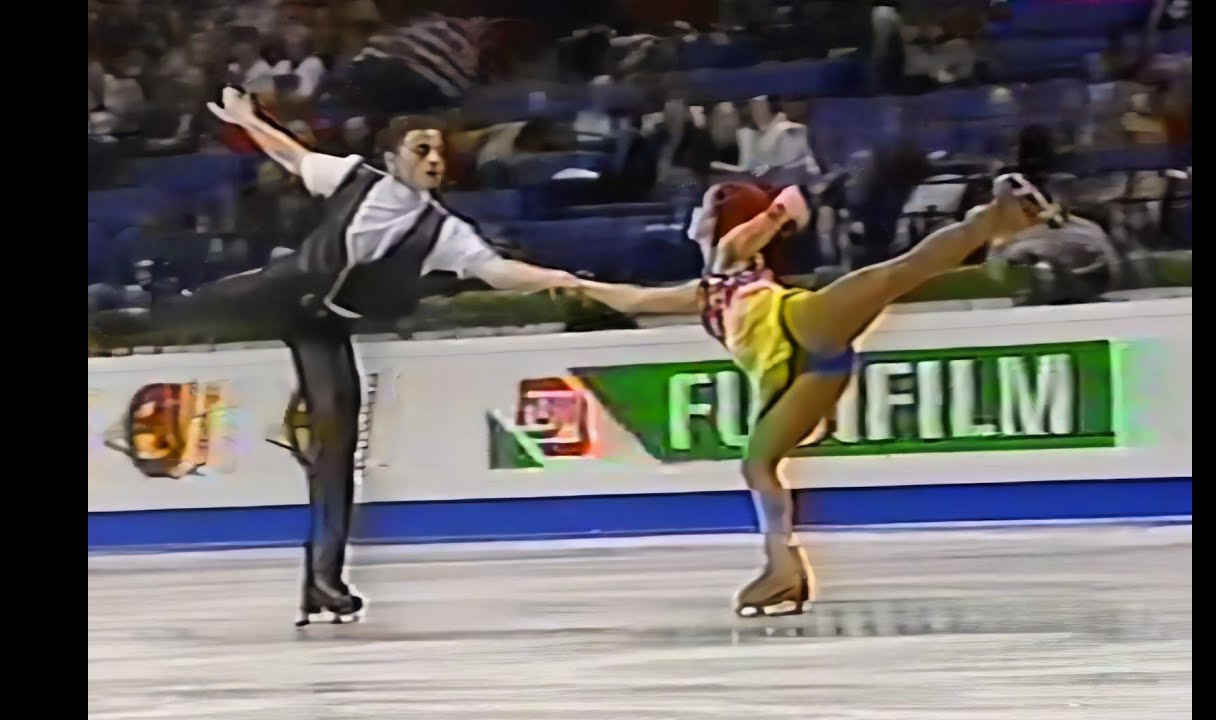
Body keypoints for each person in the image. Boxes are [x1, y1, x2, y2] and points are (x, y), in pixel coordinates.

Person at [122, 86, 583, 626]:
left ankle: (323, 580)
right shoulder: (355, 178)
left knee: (336, 450)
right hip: (277, 292)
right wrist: (249, 119)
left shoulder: (444, 230)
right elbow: (289, 155)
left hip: (322, 325)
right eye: (420, 150)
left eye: (438, 152)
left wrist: (554, 278)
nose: (434, 160)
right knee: (168, 317)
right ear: (392, 159)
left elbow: (496, 270)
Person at [572, 173, 1063, 618]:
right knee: (757, 463)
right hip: (806, 370)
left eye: (705, 206)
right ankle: (782, 567)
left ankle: (994, 219)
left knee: (895, 275)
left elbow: (769, 218)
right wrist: (571, 284)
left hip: (799, 328)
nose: (695, 216)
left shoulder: (730, 256)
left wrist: (779, 212)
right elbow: (635, 299)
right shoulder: (703, 292)